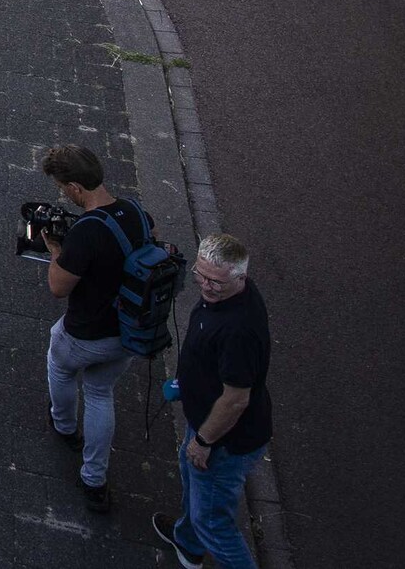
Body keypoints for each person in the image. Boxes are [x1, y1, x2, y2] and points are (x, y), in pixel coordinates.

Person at [40, 143, 150, 514]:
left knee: (59, 363)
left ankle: (64, 426)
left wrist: (56, 251)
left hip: (87, 332)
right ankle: (93, 479)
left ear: (75, 188)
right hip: (129, 331)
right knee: (101, 394)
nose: (63, 194)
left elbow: (58, 287)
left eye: (62, 188)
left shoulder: (87, 232)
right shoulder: (135, 211)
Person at [154, 236, 274, 569]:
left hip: (223, 441)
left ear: (240, 278)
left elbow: (235, 400)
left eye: (216, 282)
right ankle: (187, 542)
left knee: (213, 523)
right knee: (195, 488)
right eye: (201, 275)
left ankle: (201, 542)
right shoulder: (227, 298)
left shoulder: (239, 331)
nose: (206, 287)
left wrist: (204, 441)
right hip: (206, 424)